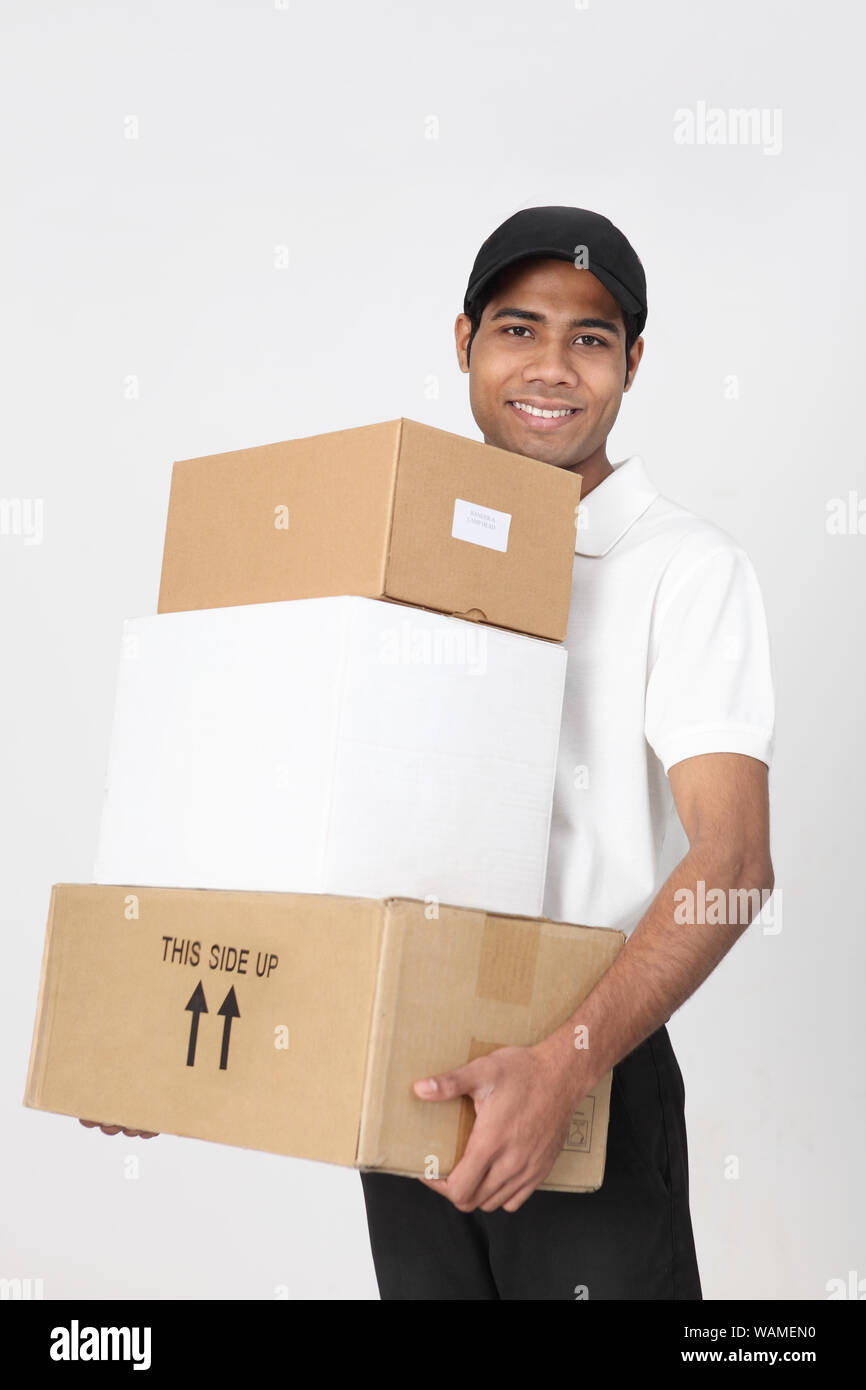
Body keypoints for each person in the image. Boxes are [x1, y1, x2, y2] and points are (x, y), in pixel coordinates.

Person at [357, 206, 776, 1299]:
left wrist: (566, 1063)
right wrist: (177, 1048)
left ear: (632, 361)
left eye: (589, 338)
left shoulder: (683, 567)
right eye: (517, 328)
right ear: (463, 342)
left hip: (589, 1066)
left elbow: (731, 867)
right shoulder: (408, 555)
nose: (551, 368)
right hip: (408, 1061)